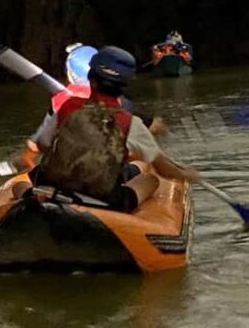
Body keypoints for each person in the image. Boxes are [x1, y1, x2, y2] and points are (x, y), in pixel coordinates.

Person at [23, 46, 199, 212]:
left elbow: (43, 144)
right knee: (150, 179)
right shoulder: (131, 122)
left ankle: (29, 197)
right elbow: (164, 169)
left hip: (52, 185)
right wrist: (187, 175)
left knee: (19, 185)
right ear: (123, 88)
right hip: (103, 199)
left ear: (90, 80)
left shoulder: (67, 106)